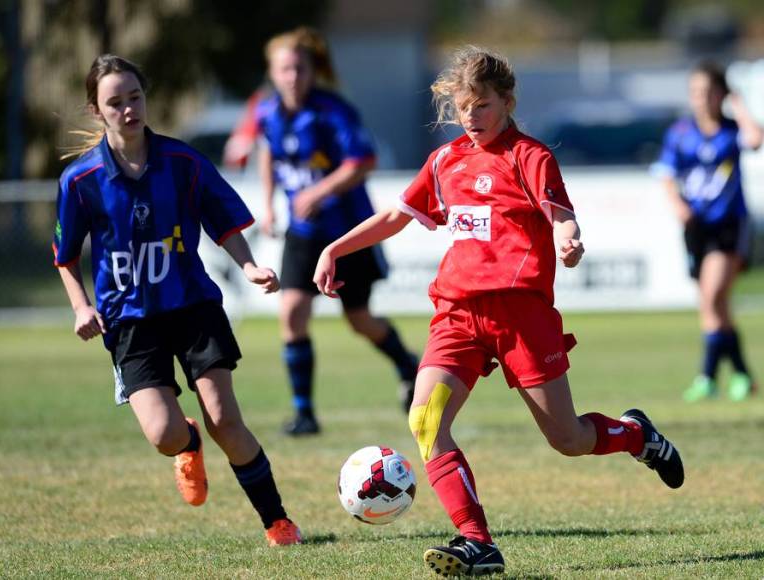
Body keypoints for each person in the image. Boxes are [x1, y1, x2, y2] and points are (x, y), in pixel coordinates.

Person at [314, 47, 685, 576]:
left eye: (482, 105)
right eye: (462, 107)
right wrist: (335, 248)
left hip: (520, 316)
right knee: (426, 419)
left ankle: (636, 435)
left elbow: (561, 215)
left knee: (568, 439)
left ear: (507, 102)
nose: (471, 117)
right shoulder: (444, 161)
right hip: (458, 313)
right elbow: (397, 215)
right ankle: (477, 542)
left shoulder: (530, 156)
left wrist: (568, 239)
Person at [53, 54, 301, 547]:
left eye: (135, 97)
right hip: (129, 320)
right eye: (115, 102)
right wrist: (82, 306)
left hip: (193, 308)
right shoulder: (80, 180)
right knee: (164, 435)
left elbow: (223, 221)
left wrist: (249, 265)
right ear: (96, 110)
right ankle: (187, 443)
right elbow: (65, 256)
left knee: (225, 420)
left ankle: (278, 522)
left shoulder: (182, 162)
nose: (128, 109)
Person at [244, 27, 419, 435]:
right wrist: (268, 204)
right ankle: (304, 413)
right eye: (284, 69)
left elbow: (363, 161)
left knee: (359, 319)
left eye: (300, 68)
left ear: (312, 71)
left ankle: (407, 363)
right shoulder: (267, 112)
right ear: (272, 73)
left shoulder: (333, 111)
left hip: (348, 232)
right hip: (303, 232)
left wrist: (318, 191)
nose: (292, 77)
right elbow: (267, 153)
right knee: (291, 312)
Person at [654, 60, 762, 402]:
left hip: (728, 225)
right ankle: (742, 375)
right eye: (695, 92)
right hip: (696, 228)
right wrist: (678, 205)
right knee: (714, 306)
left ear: (721, 94)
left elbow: (755, 139)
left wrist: (738, 103)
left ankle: (707, 376)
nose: (701, 98)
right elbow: (665, 173)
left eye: (708, 91)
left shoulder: (731, 130)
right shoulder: (680, 133)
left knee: (712, 296)